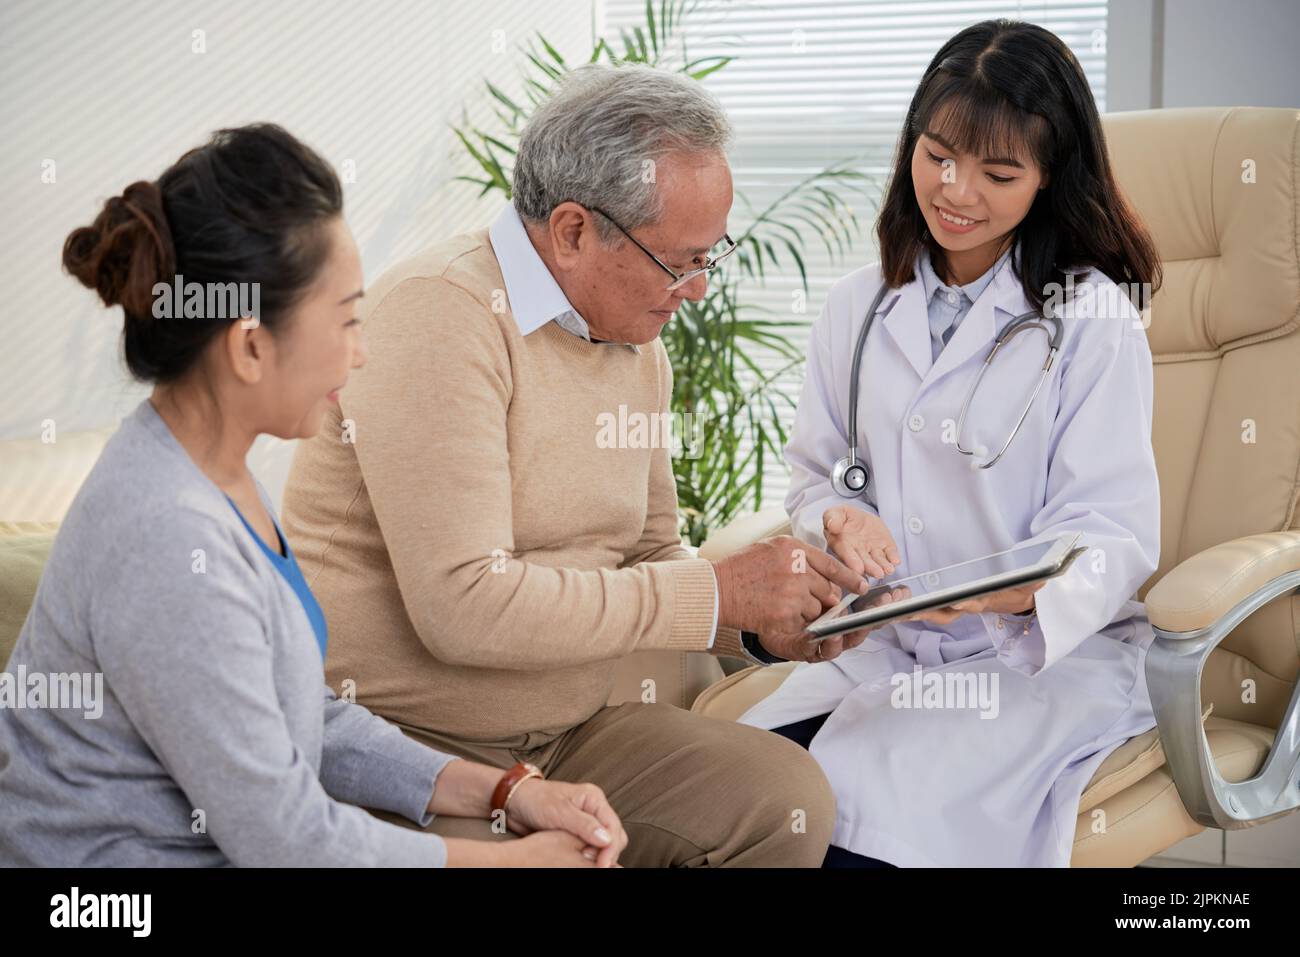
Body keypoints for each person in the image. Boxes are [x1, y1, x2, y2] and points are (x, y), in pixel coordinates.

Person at [281, 65, 870, 866]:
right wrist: (715, 592)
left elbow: (653, 552)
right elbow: (464, 606)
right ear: (570, 231)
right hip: (412, 750)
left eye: (711, 256)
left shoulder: (633, 335)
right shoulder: (441, 315)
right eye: (678, 262)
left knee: (785, 799)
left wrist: (765, 624)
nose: (696, 291)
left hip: (573, 735)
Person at [0, 124, 625, 867]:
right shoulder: (169, 535)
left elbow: (302, 717)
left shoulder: (215, 473)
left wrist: (505, 792)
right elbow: (284, 838)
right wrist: (520, 862)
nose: (360, 350)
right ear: (250, 344)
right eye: (346, 318)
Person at [737, 19, 1164, 867]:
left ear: (1048, 180)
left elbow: (1109, 534)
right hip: (886, 644)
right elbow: (819, 474)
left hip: (1034, 664)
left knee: (860, 822)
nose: (956, 190)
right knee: (735, 790)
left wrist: (989, 597)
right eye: (937, 155)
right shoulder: (858, 310)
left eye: (998, 173)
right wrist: (838, 521)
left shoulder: (1090, 322)